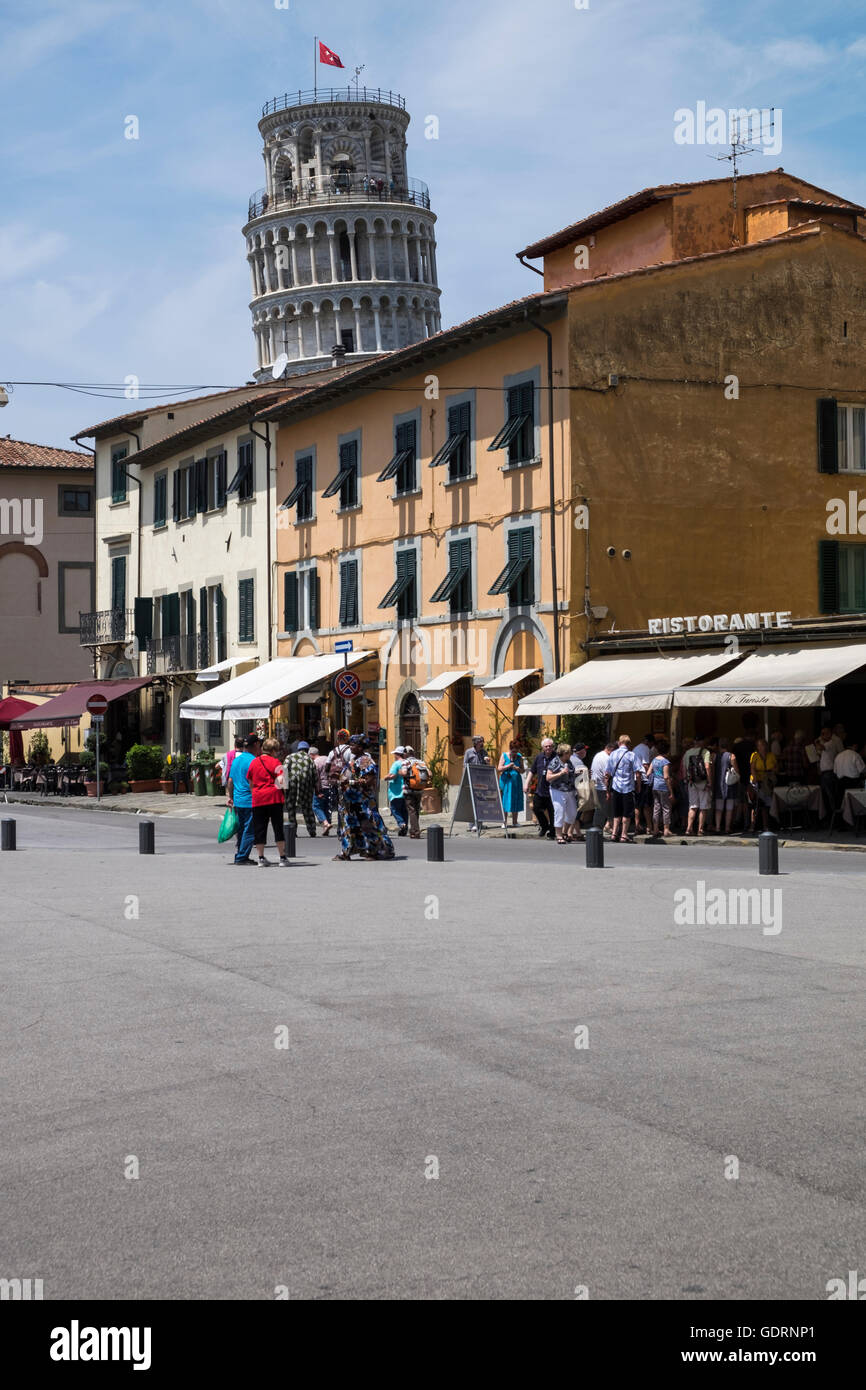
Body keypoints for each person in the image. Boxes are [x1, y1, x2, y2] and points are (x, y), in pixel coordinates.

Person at [334, 742, 395, 861]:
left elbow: (368, 780)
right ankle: (348, 851)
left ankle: (375, 851)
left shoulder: (365, 760)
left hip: (362, 801)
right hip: (350, 802)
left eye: (353, 745)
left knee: (369, 825)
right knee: (350, 826)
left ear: (360, 747)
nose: (351, 747)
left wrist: (350, 782)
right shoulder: (355, 759)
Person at [248, 737, 288, 866]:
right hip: (274, 798)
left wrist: (255, 792)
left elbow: (250, 781)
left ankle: (261, 858)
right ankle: (282, 857)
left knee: (259, 828)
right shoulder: (276, 762)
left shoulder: (254, 762)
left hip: (258, 798)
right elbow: (282, 783)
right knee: (278, 827)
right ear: (273, 750)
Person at [226, 733, 258, 864]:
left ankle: (239, 853)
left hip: (238, 800)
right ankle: (242, 857)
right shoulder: (254, 761)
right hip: (250, 800)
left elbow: (230, 781)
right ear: (256, 745)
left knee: (241, 829)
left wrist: (230, 796)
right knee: (249, 830)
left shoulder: (236, 760)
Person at [605, 734, 643, 843]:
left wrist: (607, 788)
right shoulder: (632, 755)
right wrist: (639, 786)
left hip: (616, 787)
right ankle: (623, 835)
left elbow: (607, 773)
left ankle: (614, 834)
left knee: (617, 812)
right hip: (628, 787)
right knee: (627, 812)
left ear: (619, 742)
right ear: (629, 744)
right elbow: (638, 773)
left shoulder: (613, 754)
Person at [546, 742, 582, 843]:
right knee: (559, 812)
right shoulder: (555, 762)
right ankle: (559, 836)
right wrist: (560, 773)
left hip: (570, 790)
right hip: (558, 790)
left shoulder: (569, 761)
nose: (570, 754)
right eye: (568, 753)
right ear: (563, 753)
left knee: (573, 813)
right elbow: (548, 777)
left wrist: (580, 774)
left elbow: (571, 774)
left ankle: (564, 832)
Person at [283, 741, 317, 838]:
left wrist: (283, 788)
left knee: (291, 808)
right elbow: (315, 776)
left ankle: (293, 830)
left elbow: (283, 771)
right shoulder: (310, 759)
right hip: (306, 788)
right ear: (307, 750)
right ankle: (312, 830)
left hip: (291, 786)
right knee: (307, 809)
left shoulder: (289, 757)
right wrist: (317, 789)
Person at [683, 736, 713, 837]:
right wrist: (709, 781)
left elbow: (684, 768)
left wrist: (686, 779)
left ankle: (688, 828)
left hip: (691, 782)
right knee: (703, 807)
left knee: (692, 806)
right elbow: (707, 767)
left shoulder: (687, 753)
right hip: (703, 782)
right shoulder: (705, 752)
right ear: (702, 742)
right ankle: (700, 830)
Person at [529, 738, 556, 839]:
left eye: (550, 746)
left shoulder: (556, 757)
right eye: (546, 746)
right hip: (540, 789)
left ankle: (552, 833)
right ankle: (544, 826)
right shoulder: (539, 757)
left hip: (553, 790)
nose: (548, 748)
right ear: (543, 748)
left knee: (552, 813)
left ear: (553, 747)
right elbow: (532, 771)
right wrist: (526, 783)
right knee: (536, 808)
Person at [713, 737, 740, 835]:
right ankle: (727, 828)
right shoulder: (731, 756)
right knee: (729, 807)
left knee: (718, 808)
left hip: (718, 784)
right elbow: (736, 771)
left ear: (719, 745)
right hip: (730, 784)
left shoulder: (714, 756)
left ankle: (717, 827)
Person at [750, 738, 777, 832]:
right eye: (760, 745)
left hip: (768, 782)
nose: (763, 747)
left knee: (767, 805)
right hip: (757, 781)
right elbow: (752, 768)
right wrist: (755, 778)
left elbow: (776, 767)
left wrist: (773, 771)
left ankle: (767, 825)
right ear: (757, 747)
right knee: (757, 804)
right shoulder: (754, 755)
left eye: (764, 745)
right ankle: (753, 826)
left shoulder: (771, 755)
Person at [648, 739, 674, 837]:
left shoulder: (654, 760)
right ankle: (666, 830)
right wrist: (671, 791)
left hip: (655, 786)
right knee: (666, 808)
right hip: (663, 787)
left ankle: (655, 829)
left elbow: (648, 773)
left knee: (656, 808)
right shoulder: (665, 762)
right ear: (667, 751)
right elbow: (666, 777)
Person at [818, 725, 844, 821]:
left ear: (829, 734)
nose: (822, 735)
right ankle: (830, 819)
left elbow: (820, 747)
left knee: (831, 797)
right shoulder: (828, 743)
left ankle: (834, 820)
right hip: (825, 774)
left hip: (829, 773)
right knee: (826, 797)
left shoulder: (831, 743)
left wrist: (818, 740)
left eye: (824, 734)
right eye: (821, 734)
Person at [399, 745, 425, 838]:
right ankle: (413, 830)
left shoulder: (405, 762)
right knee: (416, 810)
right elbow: (429, 773)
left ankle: (415, 832)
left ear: (406, 754)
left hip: (409, 790)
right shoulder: (421, 762)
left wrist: (400, 772)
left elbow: (404, 773)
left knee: (411, 810)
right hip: (419, 789)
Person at [498, 740, 525, 827]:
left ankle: (515, 821)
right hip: (506, 781)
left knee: (515, 799)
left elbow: (523, 770)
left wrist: (517, 768)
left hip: (516, 781)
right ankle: (504, 822)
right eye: (513, 751)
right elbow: (499, 768)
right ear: (510, 749)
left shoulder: (519, 757)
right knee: (504, 800)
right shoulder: (504, 755)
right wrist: (508, 766)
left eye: (516, 751)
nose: (515, 753)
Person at [632, 732, 654, 836]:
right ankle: (649, 827)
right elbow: (645, 765)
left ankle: (637, 826)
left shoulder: (635, 748)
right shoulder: (645, 749)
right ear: (649, 742)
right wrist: (651, 773)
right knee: (646, 805)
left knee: (637, 804)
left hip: (635, 778)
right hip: (644, 779)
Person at [590, 741, 615, 833]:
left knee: (606, 808)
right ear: (611, 750)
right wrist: (608, 790)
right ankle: (597, 829)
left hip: (595, 785)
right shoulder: (607, 758)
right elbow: (606, 776)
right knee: (601, 809)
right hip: (602, 787)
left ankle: (608, 825)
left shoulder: (598, 754)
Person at [386, 745, 409, 836]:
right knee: (404, 810)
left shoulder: (396, 764)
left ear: (397, 754)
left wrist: (385, 777)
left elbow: (392, 776)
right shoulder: (407, 763)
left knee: (394, 809)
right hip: (406, 790)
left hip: (396, 791)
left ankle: (401, 824)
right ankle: (405, 826)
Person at [310, 746, 332, 835]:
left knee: (316, 806)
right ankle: (326, 827)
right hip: (330, 786)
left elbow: (316, 777)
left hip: (321, 787)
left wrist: (316, 790)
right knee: (327, 806)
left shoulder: (315, 762)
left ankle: (325, 823)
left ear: (311, 755)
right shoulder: (327, 758)